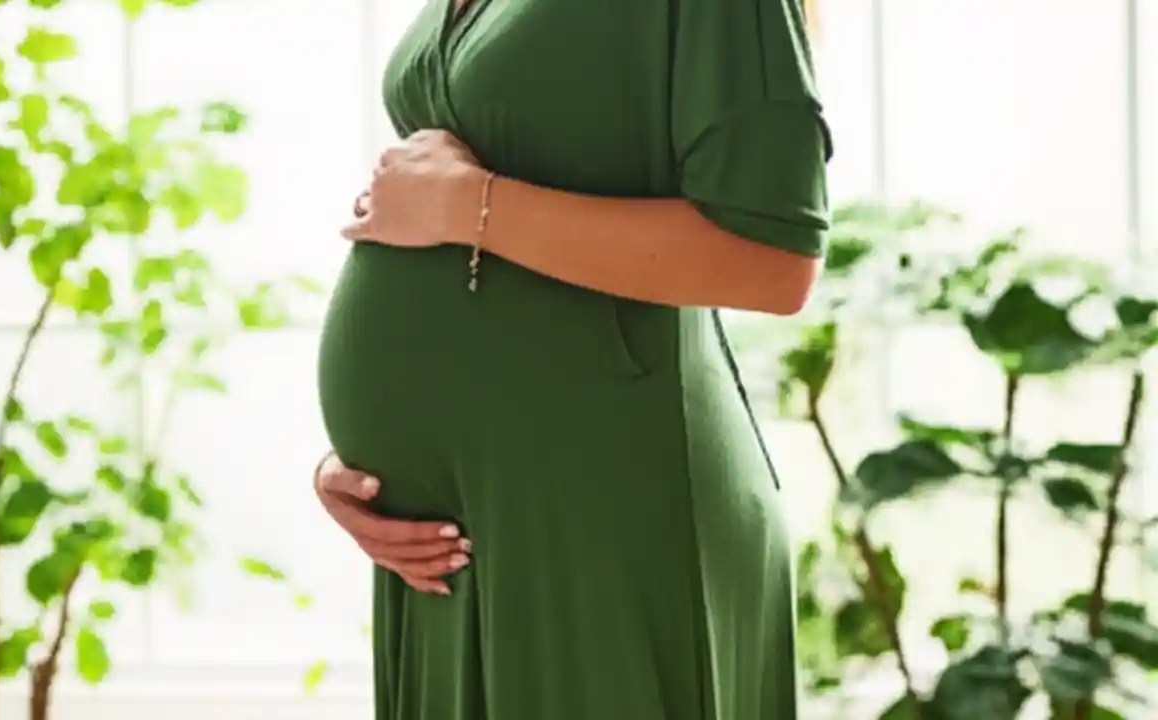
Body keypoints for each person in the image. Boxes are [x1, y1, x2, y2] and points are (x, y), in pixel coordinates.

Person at [313, 0, 832, 717]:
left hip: (599, 510)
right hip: (443, 548)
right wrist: (367, 472)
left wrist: (473, 205)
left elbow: (773, 261)